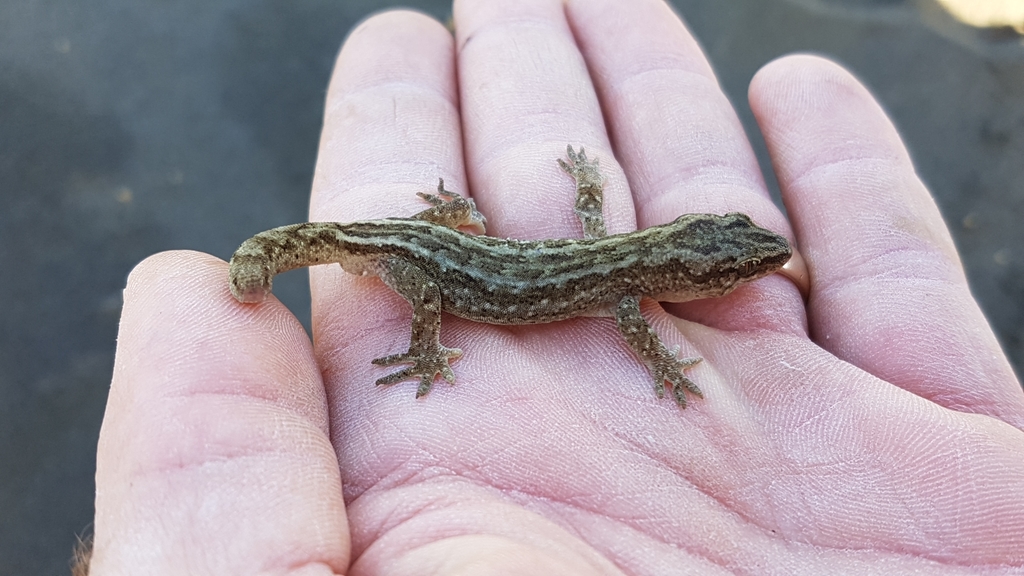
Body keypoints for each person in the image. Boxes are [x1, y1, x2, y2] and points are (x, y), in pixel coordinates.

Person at [83, 0, 1024, 573]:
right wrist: (655, 364)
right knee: (422, 289)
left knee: (432, 249)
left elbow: (596, 227)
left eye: (739, 262)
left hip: (439, 237)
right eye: (731, 266)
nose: (746, 271)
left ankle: (430, 248)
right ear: (677, 262)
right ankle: (417, 332)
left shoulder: (626, 269)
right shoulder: (628, 290)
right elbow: (633, 320)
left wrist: (542, 195)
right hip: (426, 262)